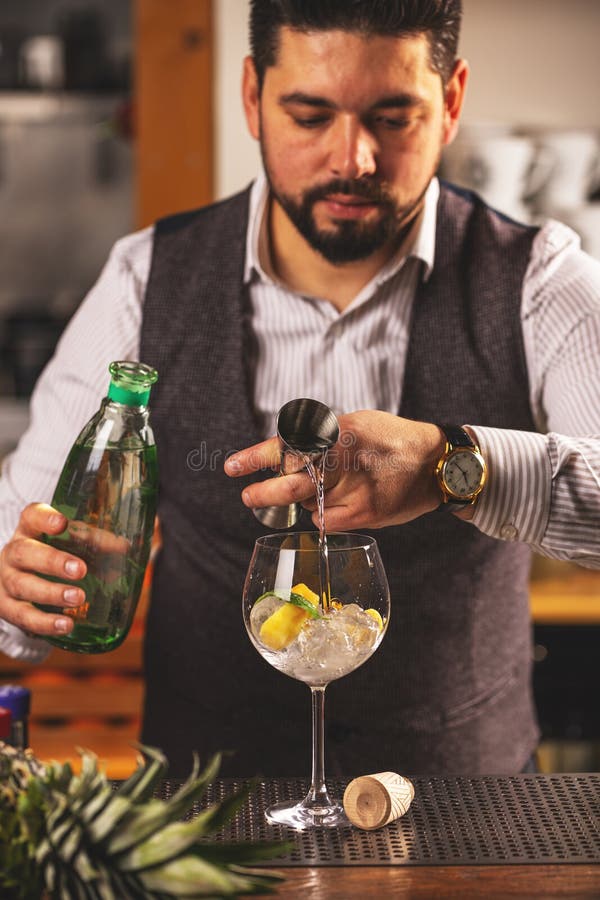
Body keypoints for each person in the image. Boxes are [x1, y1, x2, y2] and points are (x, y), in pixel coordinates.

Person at [1, 0, 599, 778]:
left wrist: (455, 464)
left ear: (450, 101)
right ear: (251, 95)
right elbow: (22, 546)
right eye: (310, 116)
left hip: (465, 822)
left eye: (392, 118)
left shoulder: (540, 281)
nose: (352, 158)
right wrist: (23, 591)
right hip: (203, 830)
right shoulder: (142, 281)